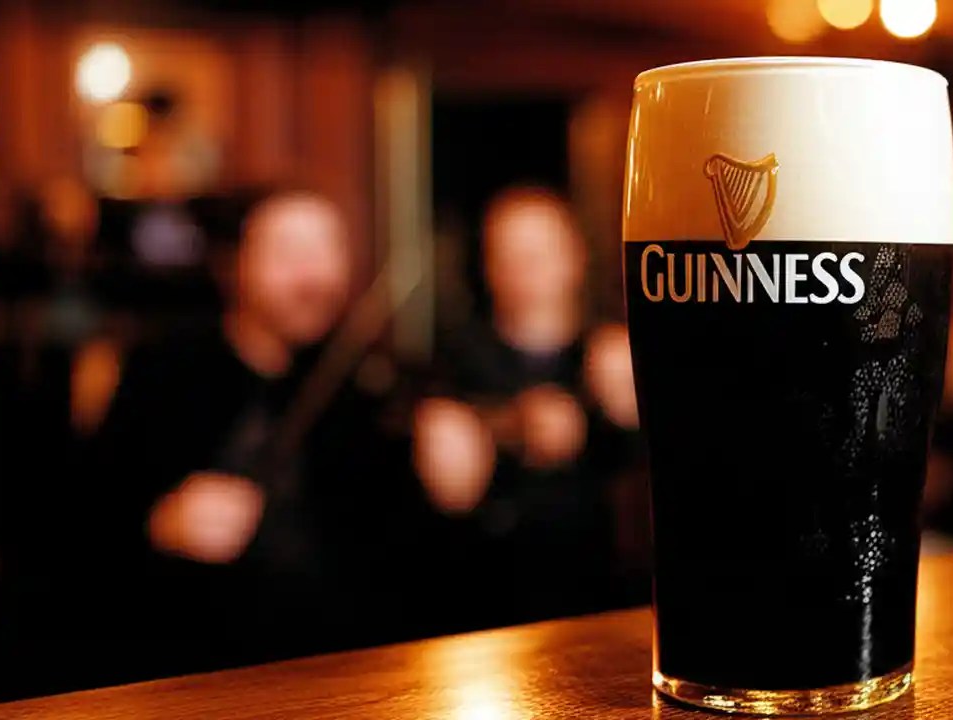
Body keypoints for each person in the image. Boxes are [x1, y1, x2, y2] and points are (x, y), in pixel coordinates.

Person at [65, 189, 431, 688]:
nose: (312, 277)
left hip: (350, 677)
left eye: (327, 252)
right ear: (235, 265)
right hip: (193, 675)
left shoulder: (371, 380)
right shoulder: (162, 372)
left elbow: (408, 557)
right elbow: (75, 528)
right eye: (287, 254)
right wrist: (159, 523)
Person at [418, 186, 641, 627]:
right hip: (488, 604)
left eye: (539, 253)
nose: (525, 270)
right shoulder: (455, 360)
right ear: (488, 265)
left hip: (605, 604)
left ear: (575, 255)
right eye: (509, 254)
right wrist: (507, 426)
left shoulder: (613, 352)